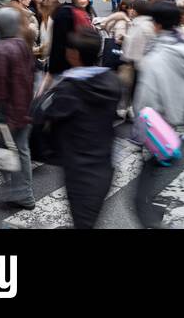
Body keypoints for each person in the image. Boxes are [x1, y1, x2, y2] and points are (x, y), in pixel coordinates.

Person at [132, 1, 184, 228]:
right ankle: (156, 211)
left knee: (142, 190)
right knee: (159, 170)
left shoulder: (155, 58)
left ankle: (151, 220)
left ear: (156, 24)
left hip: (159, 125)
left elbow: (145, 103)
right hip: (179, 118)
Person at [38, 23, 122, 229]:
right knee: (87, 219)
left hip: (79, 167)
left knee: (83, 221)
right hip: (103, 162)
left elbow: (45, 118)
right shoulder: (111, 80)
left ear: (73, 54)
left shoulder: (69, 90)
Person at [0, 6, 36, 210]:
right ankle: (23, 192)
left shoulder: (0, 50)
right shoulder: (22, 44)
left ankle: (20, 192)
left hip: (9, 112)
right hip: (25, 106)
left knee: (5, 150)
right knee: (21, 150)